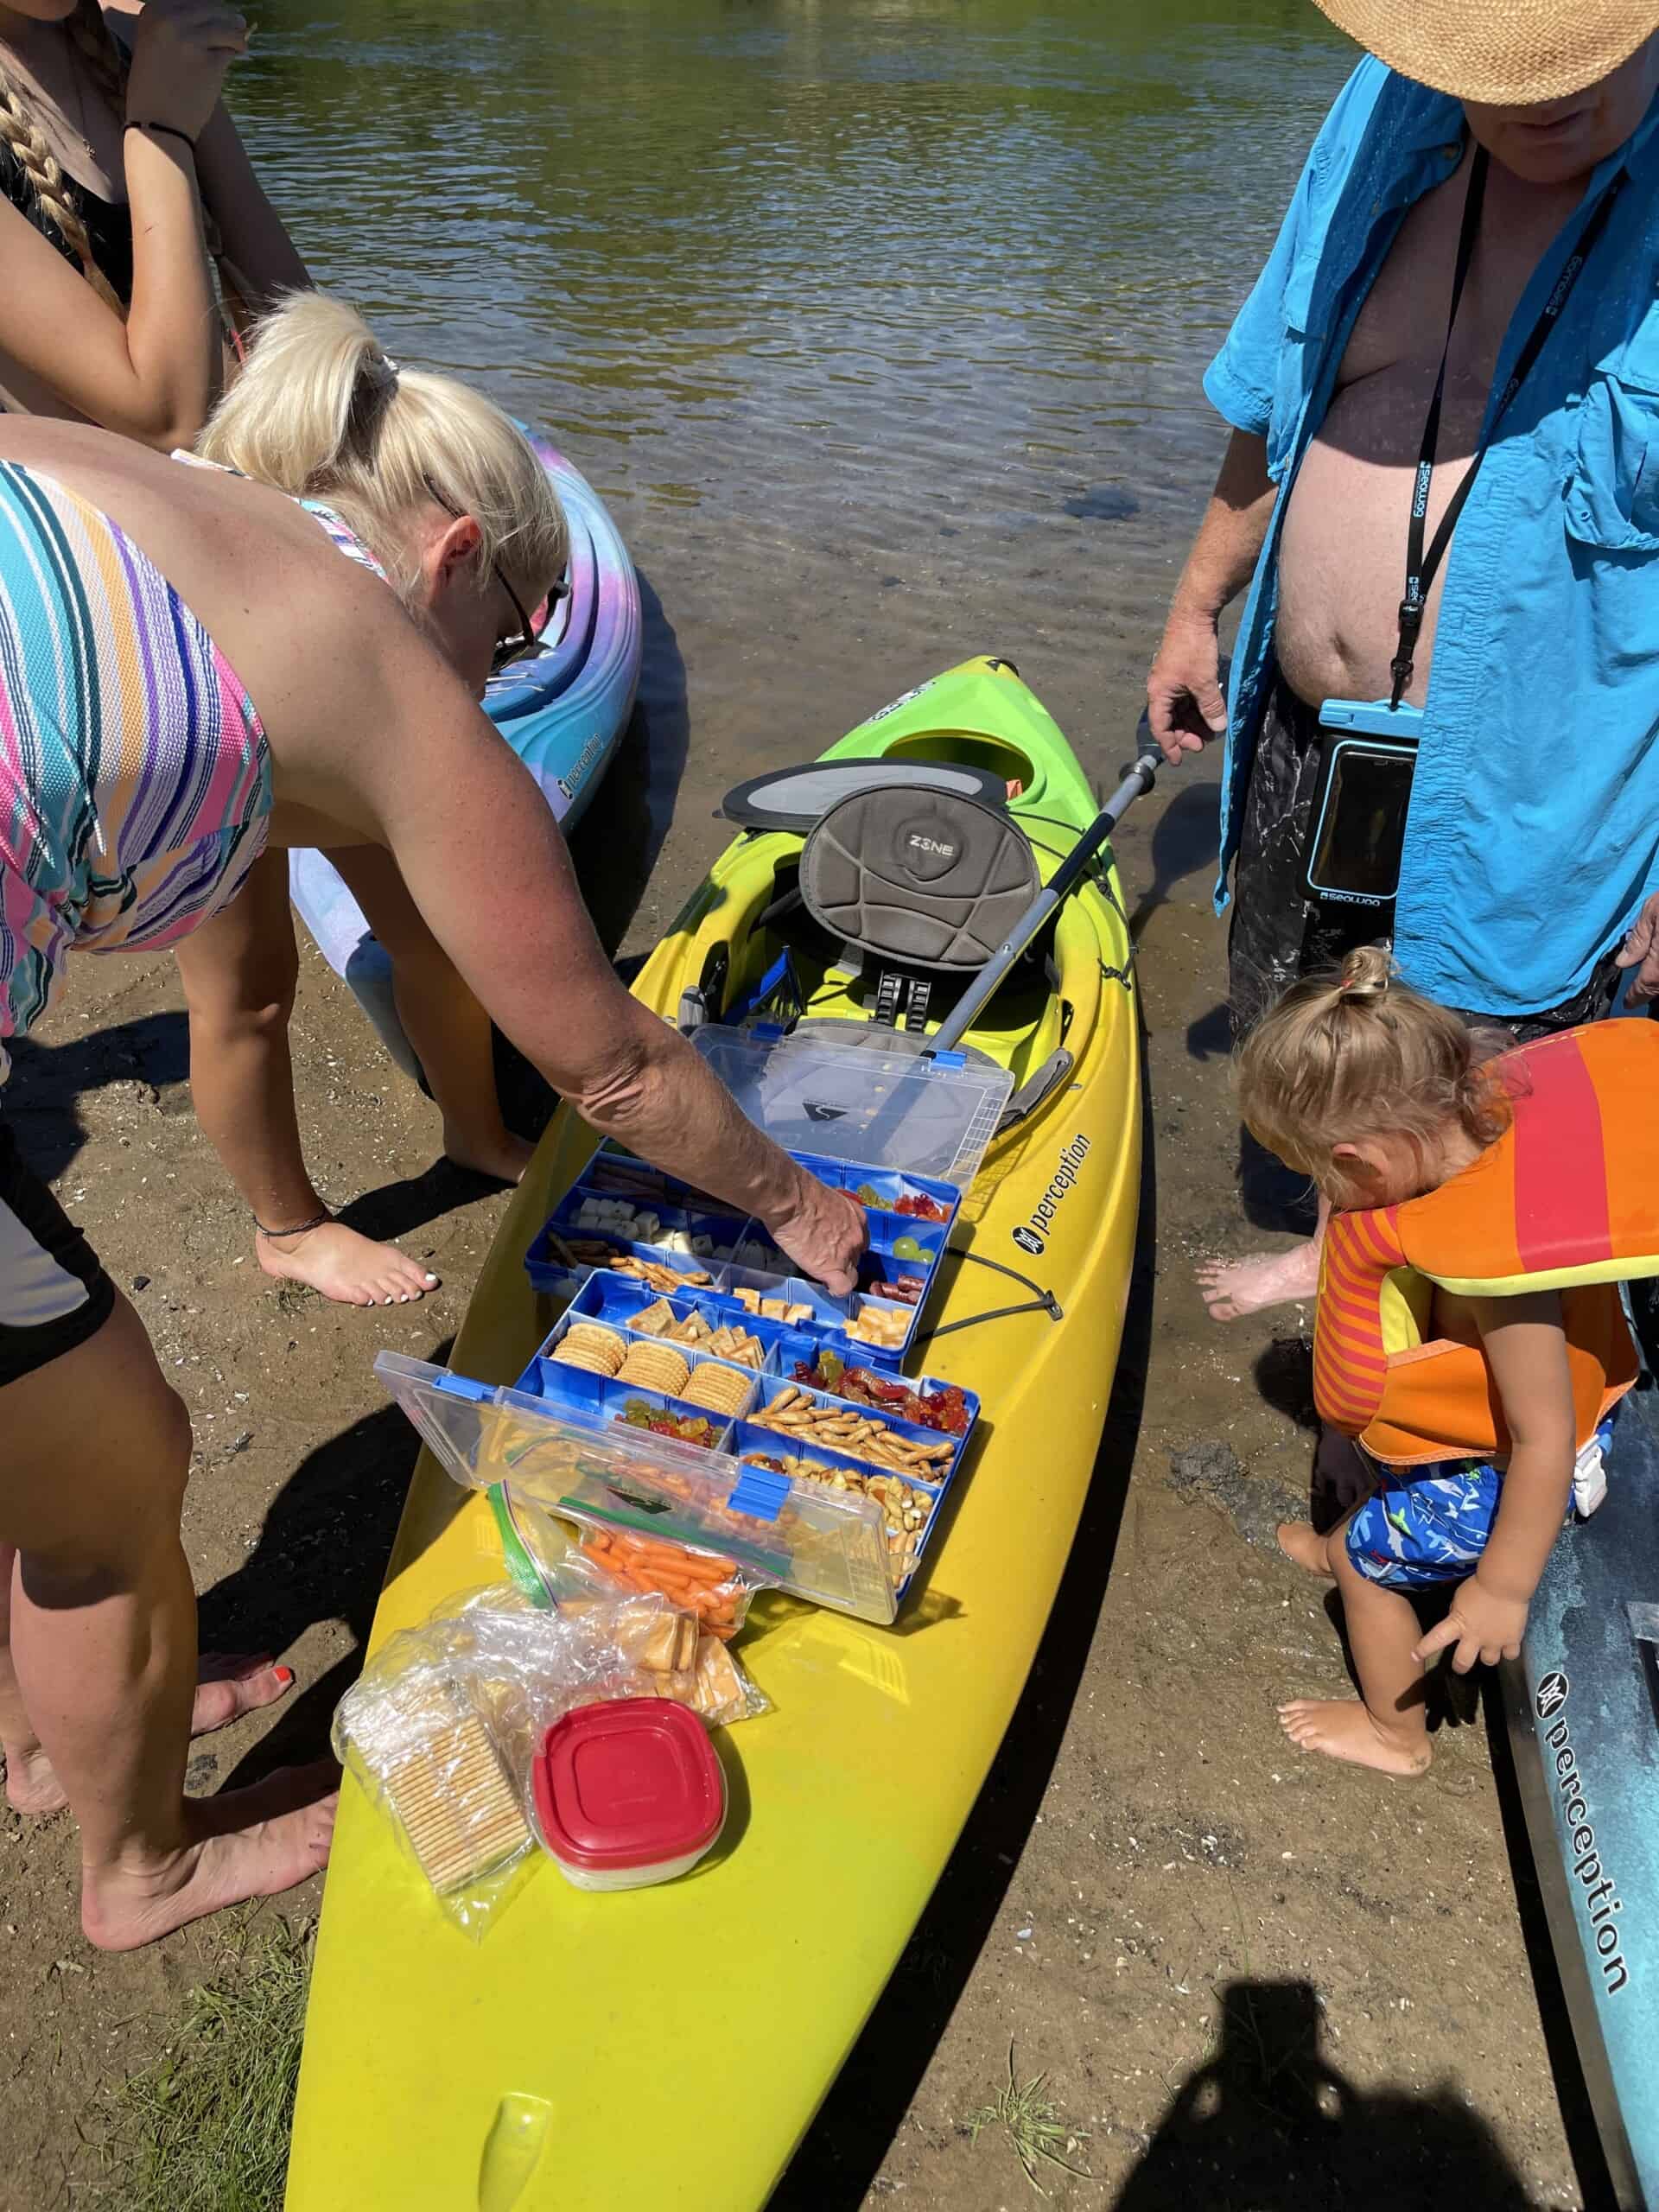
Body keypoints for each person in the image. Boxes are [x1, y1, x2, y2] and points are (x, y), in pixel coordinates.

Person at [0, 330, 868, 1948]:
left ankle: (46, 1734)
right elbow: (611, 1067)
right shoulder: (378, 659)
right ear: (453, 556)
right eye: (517, 628)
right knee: (117, 1461)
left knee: (34, 1423)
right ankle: (140, 1868)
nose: (509, 664)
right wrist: (798, 1204)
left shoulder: (188, 495)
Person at [1143, 0, 1659, 1321]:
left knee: (1484, 1112)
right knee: (1311, 1039)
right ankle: (1339, 1260)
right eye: (1495, 68)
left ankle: (1454, 1380)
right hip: (1307, 740)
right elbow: (1279, 382)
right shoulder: (1387, 100)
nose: (1542, 95)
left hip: (1533, 801)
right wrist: (1199, 604)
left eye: (1582, 57)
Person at [1238, 947, 1651, 1776]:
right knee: (1380, 1510)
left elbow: (1543, 1435)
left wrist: (1501, 1590)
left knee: (1366, 1567)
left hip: (1522, 1472)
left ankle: (1397, 1735)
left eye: (1318, 1177)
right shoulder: (1464, 1148)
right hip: (1488, 1445)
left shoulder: (1500, 1272)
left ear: (1362, 1162)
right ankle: (1354, 1540)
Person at [0, 0, 306, 429]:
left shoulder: (142, 38)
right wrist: (160, 136)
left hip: (224, 474)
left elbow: (295, 326)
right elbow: (168, 420)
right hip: (99, 487)